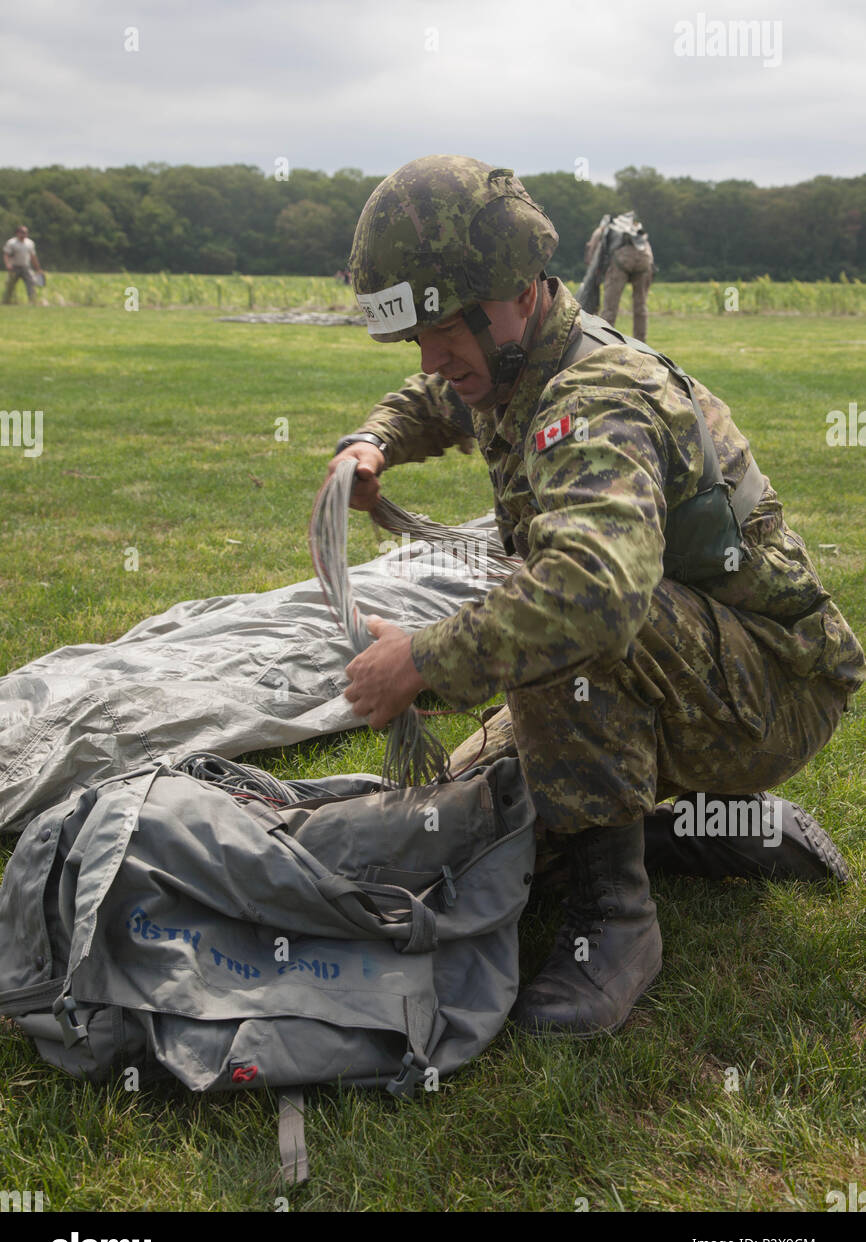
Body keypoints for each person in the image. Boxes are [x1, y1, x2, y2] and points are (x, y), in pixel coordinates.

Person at [322, 154, 865, 1039]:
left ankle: (617, 921)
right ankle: (701, 828)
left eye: (444, 326)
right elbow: (440, 395)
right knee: (481, 810)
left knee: (554, 615)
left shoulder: (594, 396)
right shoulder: (513, 359)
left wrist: (418, 663)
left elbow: (592, 594)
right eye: (415, 334)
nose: (433, 354)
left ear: (517, 293)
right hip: (714, 668)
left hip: (772, 693)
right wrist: (373, 441)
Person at [583, 212, 654, 341]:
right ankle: (641, 341)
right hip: (645, 260)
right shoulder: (634, 227)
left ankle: (605, 340)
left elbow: (591, 254)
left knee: (610, 307)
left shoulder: (602, 230)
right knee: (640, 305)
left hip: (621, 260)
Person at [3, 225, 43, 305]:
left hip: (25, 267)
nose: (24, 234)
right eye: (22, 233)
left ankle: (32, 301)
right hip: (14, 267)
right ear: (17, 233)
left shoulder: (30, 243)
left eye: (26, 233)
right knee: (10, 285)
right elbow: (6, 255)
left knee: (31, 283)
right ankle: (6, 301)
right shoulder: (11, 243)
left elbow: (33, 257)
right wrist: (8, 264)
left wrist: (38, 268)